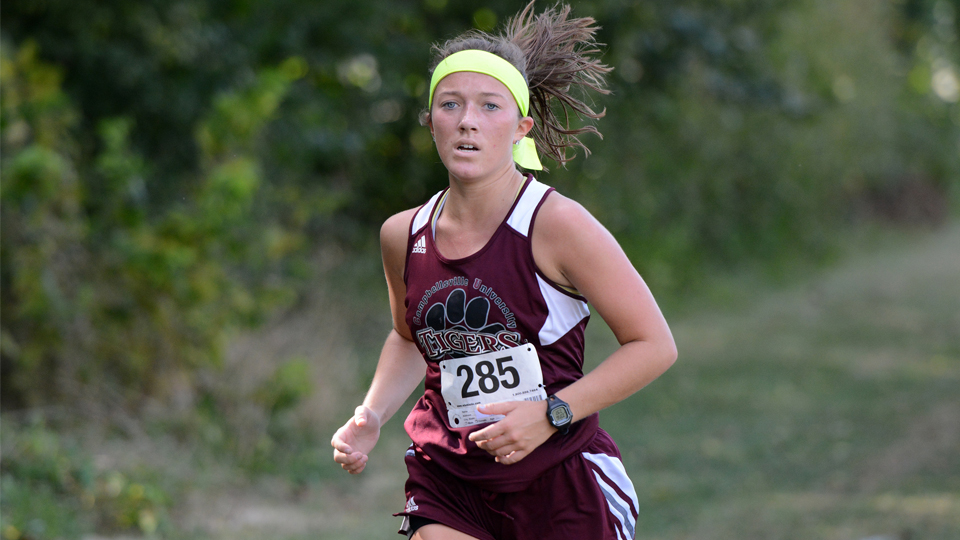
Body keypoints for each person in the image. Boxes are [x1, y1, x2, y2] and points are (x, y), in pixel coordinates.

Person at [331, 3, 677, 539]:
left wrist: (551, 414)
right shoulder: (403, 234)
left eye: (489, 106)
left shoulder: (557, 225)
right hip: (449, 477)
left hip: (560, 482)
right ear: (431, 123)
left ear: (521, 128)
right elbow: (408, 336)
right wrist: (372, 413)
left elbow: (653, 345)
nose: (468, 119)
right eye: (450, 104)